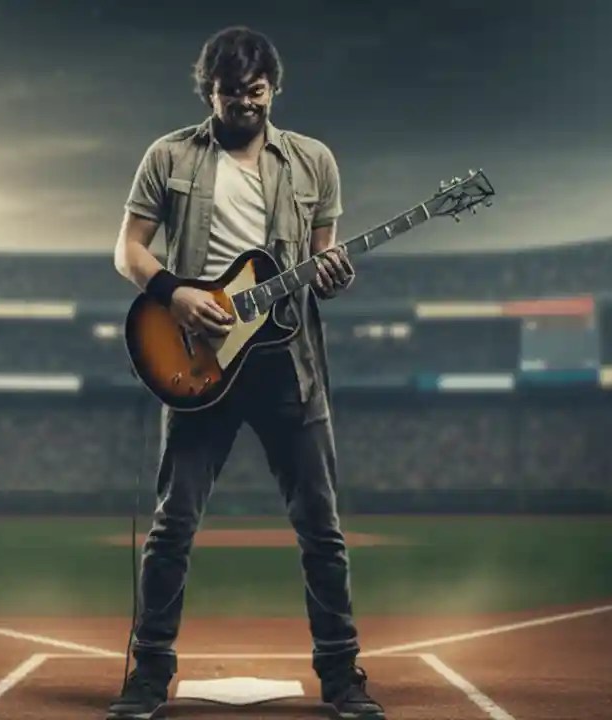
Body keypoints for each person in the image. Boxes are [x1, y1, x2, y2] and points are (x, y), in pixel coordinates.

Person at [108, 24, 385, 720]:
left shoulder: (314, 160)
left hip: (289, 367)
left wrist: (333, 273)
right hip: (201, 361)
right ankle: (148, 677)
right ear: (210, 91)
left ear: (275, 88)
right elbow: (127, 251)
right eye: (231, 96)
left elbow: (321, 264)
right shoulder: (168, 155)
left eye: (256, 94)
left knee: (321, 528)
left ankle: (342, 677)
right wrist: (176, 292)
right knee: (172, 526)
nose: (245, 106)